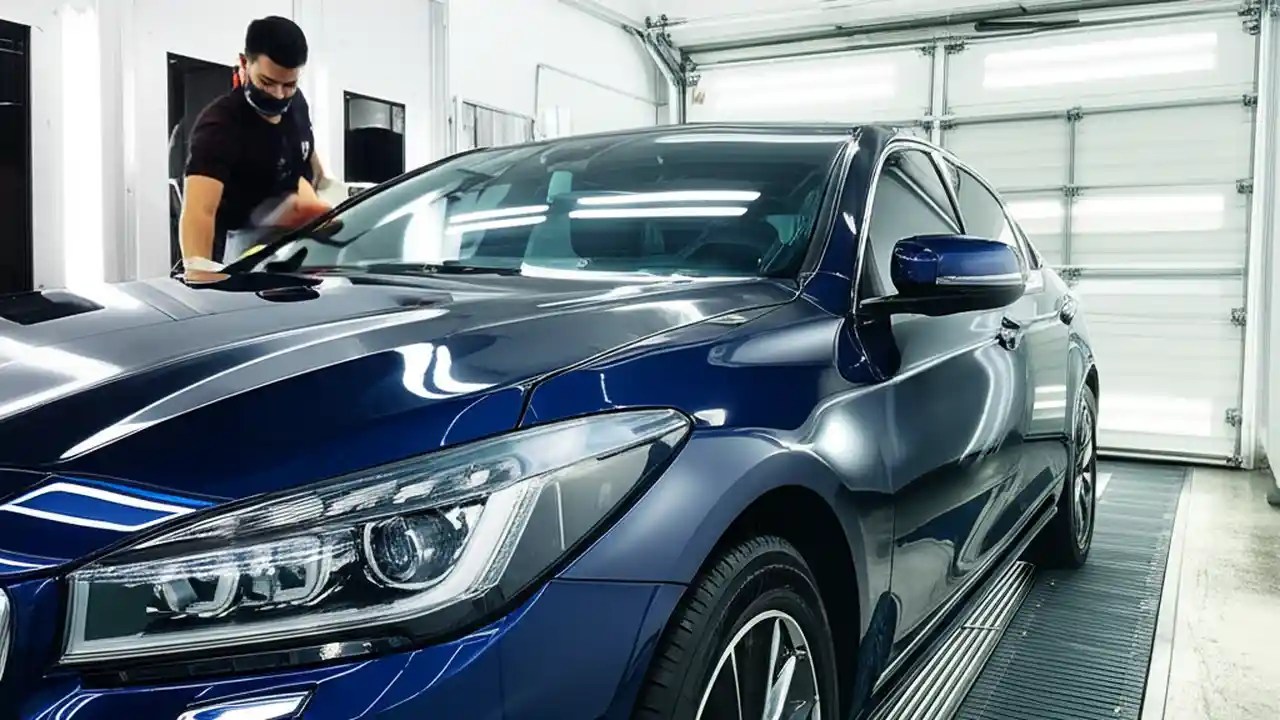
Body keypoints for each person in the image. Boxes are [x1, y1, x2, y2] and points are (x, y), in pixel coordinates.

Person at [179, 15, 331, 273]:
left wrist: (323, 186)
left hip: (288, 252)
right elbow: (199, 213)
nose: (279, 94)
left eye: (289, 85)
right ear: (243, 63)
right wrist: (199, 277)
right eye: (267, 82)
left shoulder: (298, 104)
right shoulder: (219, 125)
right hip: (234, 258)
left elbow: (304, 150)